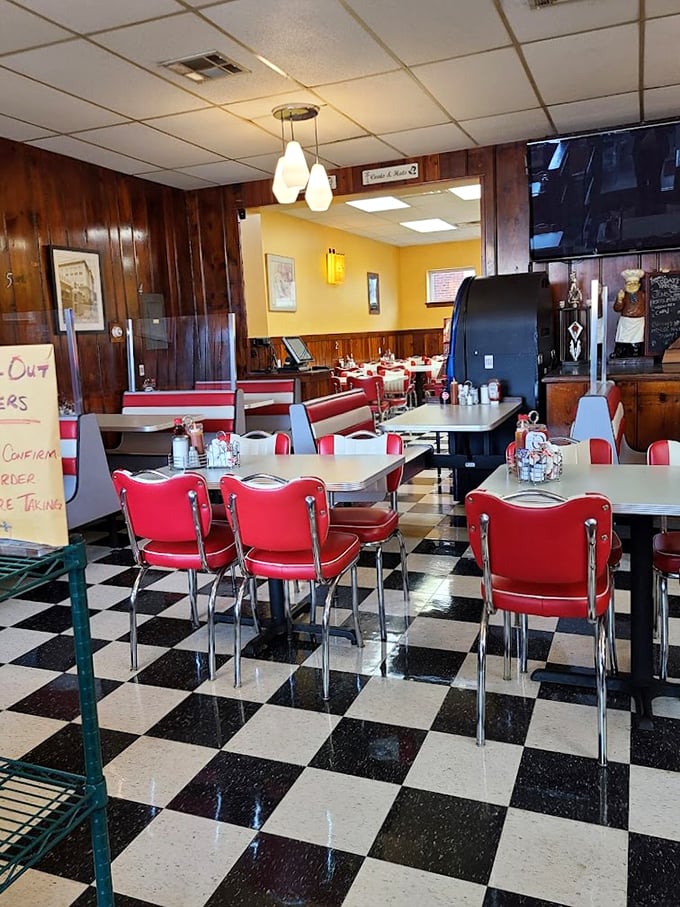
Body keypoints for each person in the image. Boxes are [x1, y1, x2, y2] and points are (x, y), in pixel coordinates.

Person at [612, 268, 645, 358]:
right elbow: (617, 308)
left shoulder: (643, 295)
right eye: (629, 283)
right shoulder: (623, 295)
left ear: (639, 285)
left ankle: (636, 352)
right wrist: (619, 300)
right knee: (622, 337)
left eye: (634, 283)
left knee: (638, 339)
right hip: (626, 320)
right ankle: (620, 351)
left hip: (638, 321)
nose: (632, 285)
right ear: (625, 285)